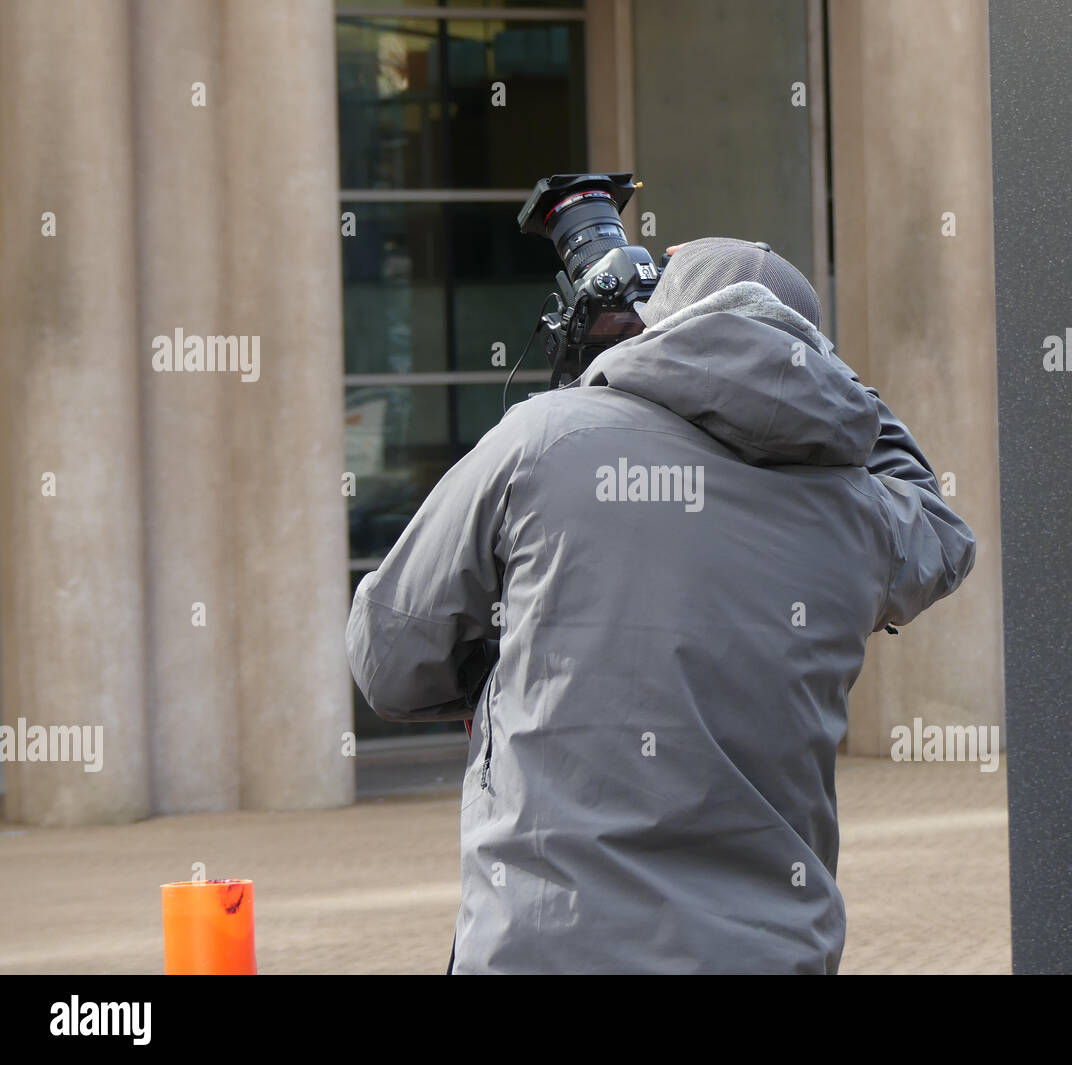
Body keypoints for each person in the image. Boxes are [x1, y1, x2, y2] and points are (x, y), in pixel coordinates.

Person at [346, 237, 977, 974]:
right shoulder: (861, 511)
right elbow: (942, 528)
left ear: (660, 324)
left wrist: (504, 661)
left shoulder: (544, 439)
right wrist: (817, 374)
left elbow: (386, 661)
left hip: (546, 949)